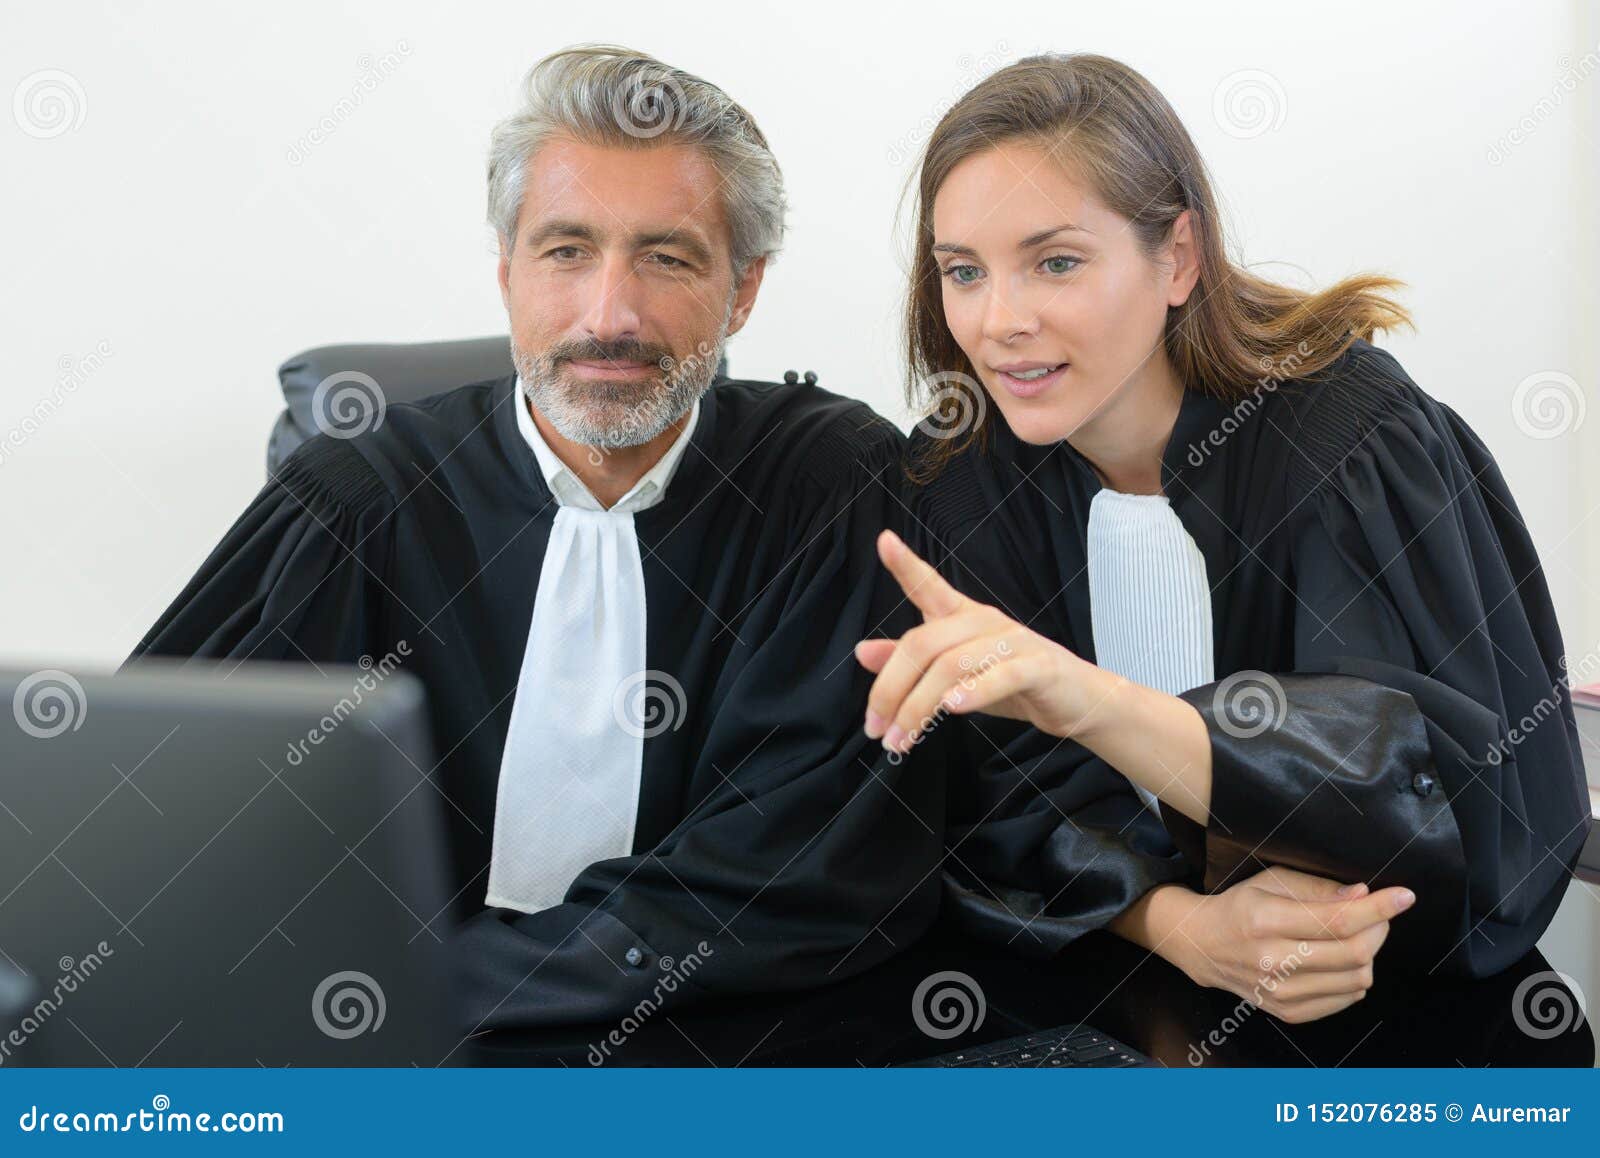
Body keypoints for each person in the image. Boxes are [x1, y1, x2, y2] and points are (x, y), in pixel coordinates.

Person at [126, 45, 943, 1034]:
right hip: (397, 1050)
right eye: (565, 251)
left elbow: (807, 866)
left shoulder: (829, 486)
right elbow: (159, 816)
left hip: (720, 1038)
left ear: (744, 290)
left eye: (667, 257)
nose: (611, 315)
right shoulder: (355, 501)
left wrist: (451, 988)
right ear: (506, 272)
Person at [856, 52, 1591, 1024]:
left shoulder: (1348, 443)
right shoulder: (964, 481)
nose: (999, 322)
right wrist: (1177, 926)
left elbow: (1440, 800)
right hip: (1119, 1011)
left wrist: (1087, 699)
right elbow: (992, 813)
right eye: (962, 272)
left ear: (1178, 257)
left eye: (1056, 261)